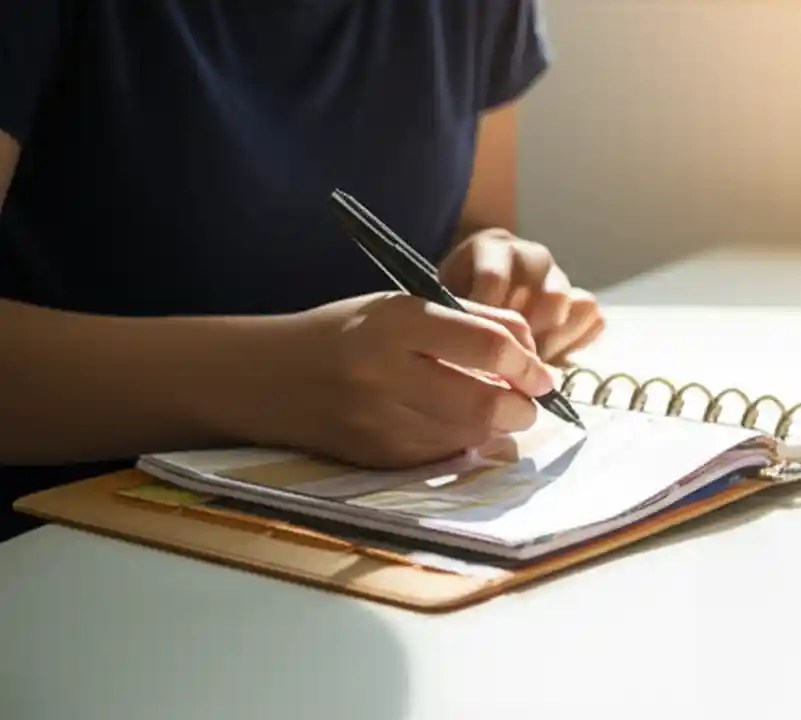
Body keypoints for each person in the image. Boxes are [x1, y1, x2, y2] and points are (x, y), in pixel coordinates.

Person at [0, 0, 604, 540]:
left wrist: (488, 268)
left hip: (357, 541)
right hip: (62, 554)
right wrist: (264, 381)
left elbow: (471, 219)